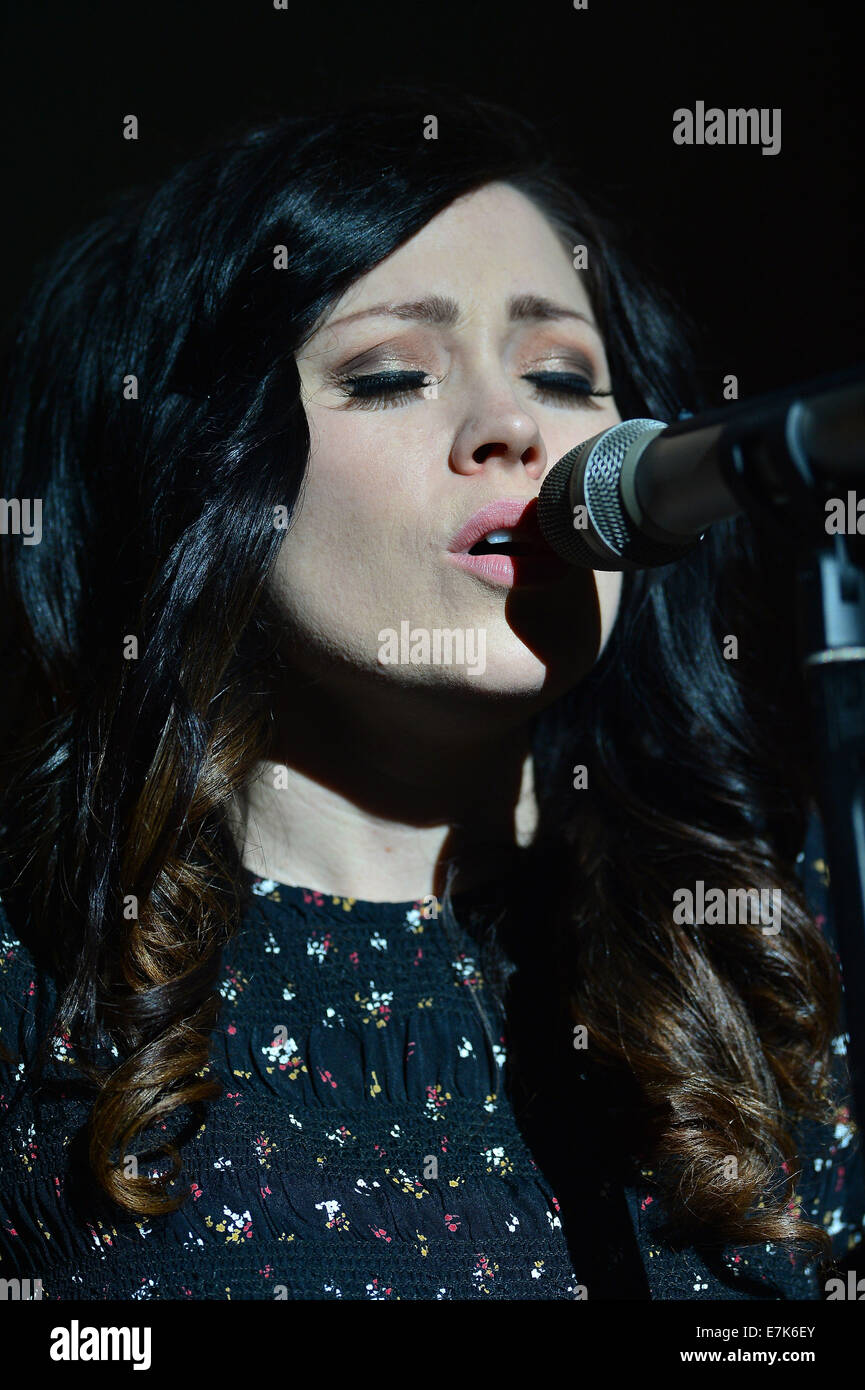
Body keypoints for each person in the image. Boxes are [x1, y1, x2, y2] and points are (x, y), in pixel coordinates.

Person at [0, 87, 861, 1301]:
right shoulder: (37, 978)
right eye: (394, 373)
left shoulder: (778, 937)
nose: (511, 424)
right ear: (209, 466)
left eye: (563, 373)